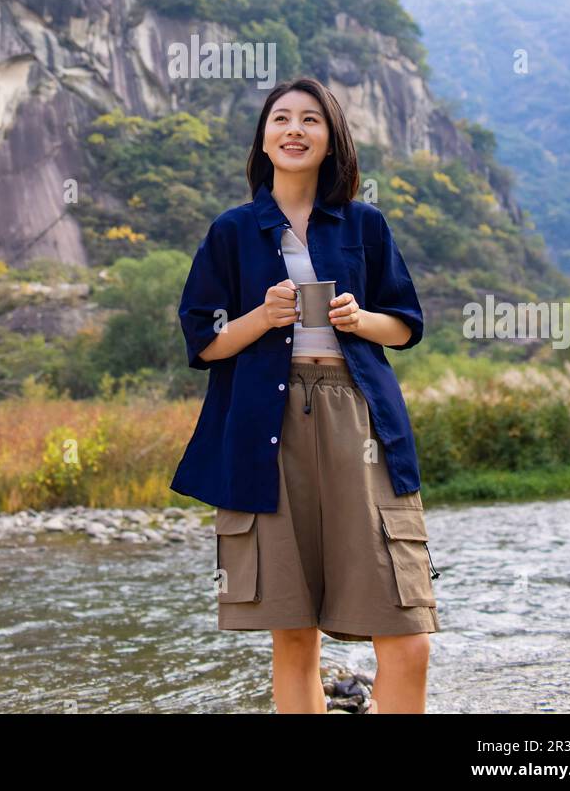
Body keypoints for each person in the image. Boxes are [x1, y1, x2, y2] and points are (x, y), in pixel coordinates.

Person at [169, 76, 441, 714]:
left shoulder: (364, 224)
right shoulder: (232, 232)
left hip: (358, 421)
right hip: (264, 428)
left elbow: (404, 324)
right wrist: (261, 318)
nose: (295, 130)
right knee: (294, 637)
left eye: (310, 120)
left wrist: (358, 318)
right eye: (281, 119)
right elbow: (203, 342)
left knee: (407, 635)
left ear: (331, 139)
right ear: (264, 138)